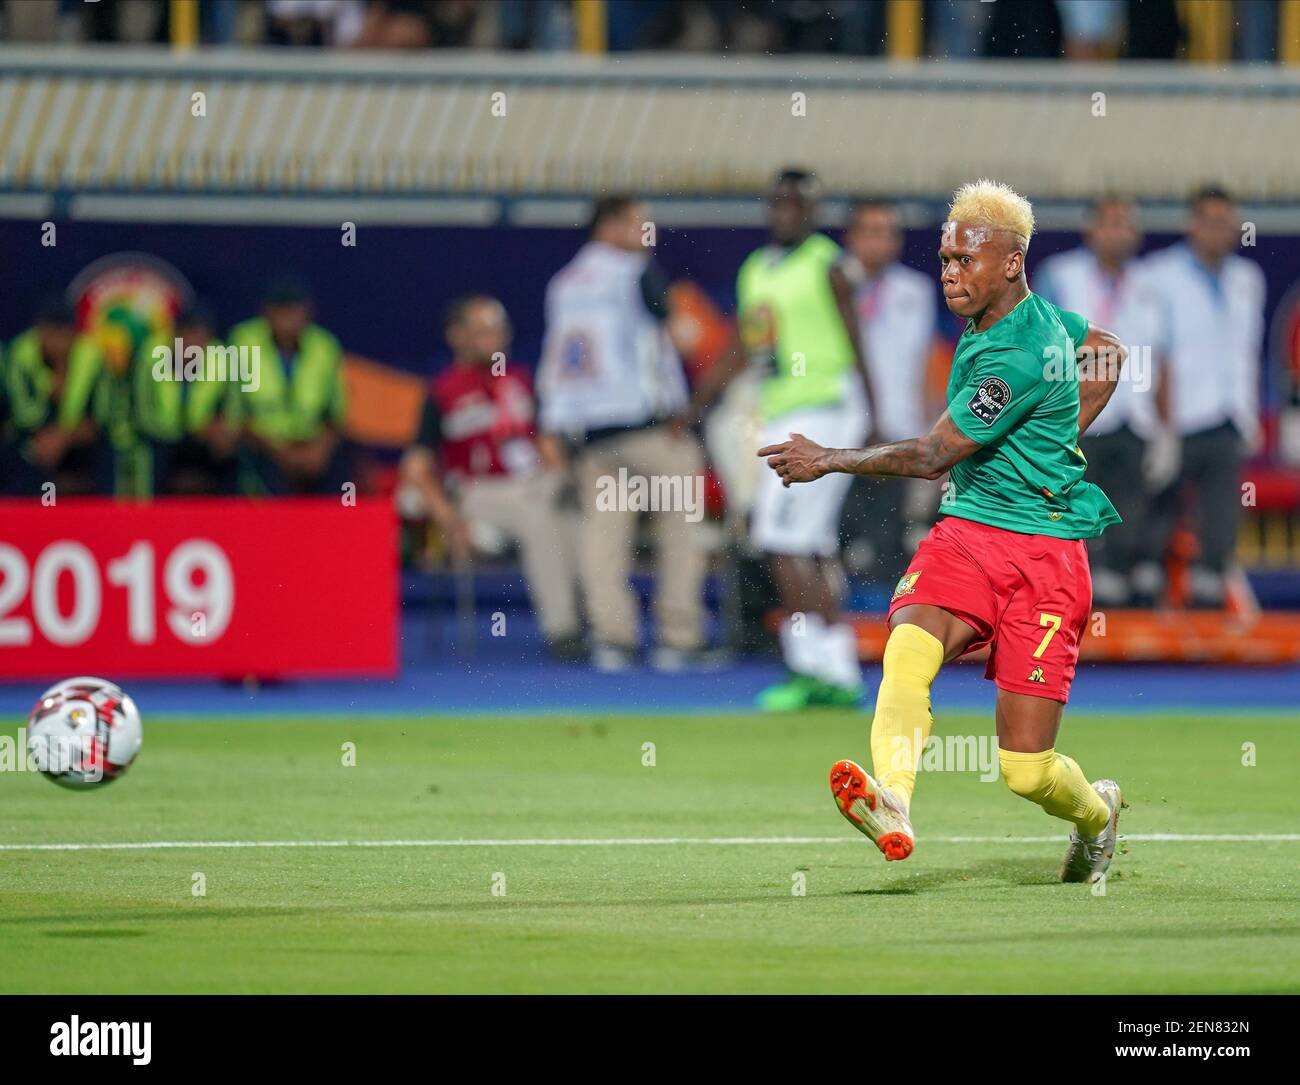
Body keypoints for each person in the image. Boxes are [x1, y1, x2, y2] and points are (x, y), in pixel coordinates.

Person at [759, 180, 1127, 884]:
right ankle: (892, 799)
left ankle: (1096, 814)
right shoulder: (1037, 316)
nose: (951, 274)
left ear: (1013, 261)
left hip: (1046, 559)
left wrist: (826, 459)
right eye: (946, 259)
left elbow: (931, 457)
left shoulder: (1020, 350)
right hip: (967, 536)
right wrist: (1061, 433)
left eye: (967, 260)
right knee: (907, 650)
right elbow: (1108, 349)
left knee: (1025, 770)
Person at [687, 168, 877, 710]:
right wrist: (697, 405)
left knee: (778, 536)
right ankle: (833, 669)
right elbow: (748, 346)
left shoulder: (828, 264)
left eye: (798, 203)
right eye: (779, 202)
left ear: (815, 211)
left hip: (827, 409)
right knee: (810, 543)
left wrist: (875, 414)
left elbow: (857, 339)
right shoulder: (757, 269)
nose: (786, 211)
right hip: (780, 411)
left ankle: (812, 664)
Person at [537, 195, 710, 673]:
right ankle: (678, 638)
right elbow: (685, 335)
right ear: (610, 225)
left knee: (604, 541)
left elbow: (556, 361)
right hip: (650, 431)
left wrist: (554, 423)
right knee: (679, 533)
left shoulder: (565, 282)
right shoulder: (635, 271)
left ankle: (613, 640)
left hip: (591, 435)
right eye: (639, 223)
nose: (646, 233)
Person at [399, 294, 583, 660]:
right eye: (483, 330)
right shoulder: (443, 390)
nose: (495, 338)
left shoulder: (521, 380)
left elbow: (546, 444)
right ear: (457, 336)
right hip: (479, 493)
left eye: (499, 330)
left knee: (578, 504)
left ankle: (601, 623)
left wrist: (565, 478)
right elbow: (416, 467)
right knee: (540, 515)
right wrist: (449, 521)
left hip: (533, 484)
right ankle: (564, 630)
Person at [1129, 186, 1266, 608]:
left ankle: (1208, 603)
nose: (1218, 231)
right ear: (1191, 224)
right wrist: (1160, 427)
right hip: (1177, 418)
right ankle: (1144, 602)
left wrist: (1250, 412)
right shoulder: (1157, 275)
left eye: (1226, 223)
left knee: (1220, 520)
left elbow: (1244, 352)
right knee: (1157, 516)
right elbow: (1154, 353)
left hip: (1227, 419)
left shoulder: (1248, 280)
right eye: (1208, 221)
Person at [1035, 197, 1159, 606]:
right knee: (1073, 511)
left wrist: (1165, 426)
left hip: (1134, 417)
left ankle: (1115, 603)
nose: (1120, 233)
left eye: (1127, 224)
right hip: (1079, 416)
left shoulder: (1149, 284)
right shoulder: (1062, 274)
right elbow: (1040, 346)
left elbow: (1163, 356)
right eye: (1111, 224)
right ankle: (1070, 598)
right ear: (1092, 230)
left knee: (1127, 515)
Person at [840, 198, 938, 575]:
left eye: (886, 233)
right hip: (844, 427)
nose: (877, 242)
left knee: (888, 543)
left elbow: (922, 362)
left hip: (899, 427)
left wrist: (929, 426)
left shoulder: (915, 291)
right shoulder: (835, 285)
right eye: (869, 232)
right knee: (843, 538)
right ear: (851, 237)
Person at [228, 275, 350, 495]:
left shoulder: (324, 346)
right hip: (265, 447)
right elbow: (237, 416)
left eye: (294, 309)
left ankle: (337, 526)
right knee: (248, 461)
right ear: (265, 312)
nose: (287, 318)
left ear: (308, 311)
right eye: (280, 310)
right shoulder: (244, 341)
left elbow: (335, 415)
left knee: (341, 460)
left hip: (311, 445)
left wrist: (319, 451)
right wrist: (281, 452)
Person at [0, 299, 109, 497]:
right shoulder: (19, 355)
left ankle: (99, 521)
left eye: (63, 332)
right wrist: (51, 388)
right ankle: (21, 519)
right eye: (50, 332)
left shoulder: (91, 357)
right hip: (30, 439)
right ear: (39, 331)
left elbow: (98, 419)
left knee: (107, 451)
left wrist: (63, 437)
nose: (57, 340)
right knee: (24, 453)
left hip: (75, 438)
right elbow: (21, 416)